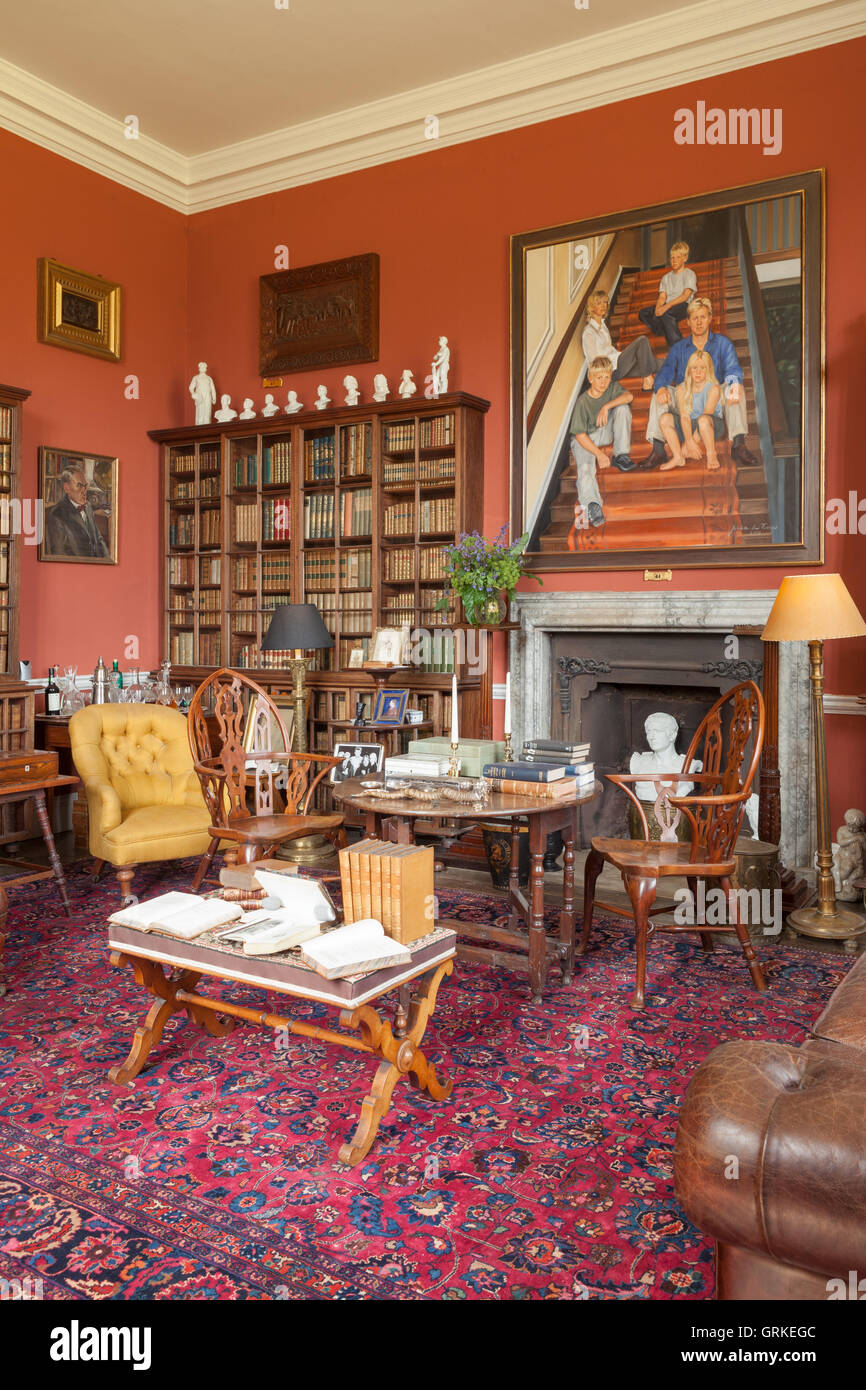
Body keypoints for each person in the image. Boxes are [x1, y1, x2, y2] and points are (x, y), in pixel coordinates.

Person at [639, 297, 759, 471]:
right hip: (687, 399)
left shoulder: (722, 343)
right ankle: (658, 450)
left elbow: (733, 368)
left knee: (735, 386)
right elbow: (666, 371)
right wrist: (661, 387)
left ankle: (738, 444)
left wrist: (733, 383)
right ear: (688, 322)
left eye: (703, 317)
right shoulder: (679, 348)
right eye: (694, 318)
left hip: (713, 397)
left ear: (710, 318)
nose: (699, 322)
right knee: (659, 393)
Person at [568, 356, 634, 529]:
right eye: (599, 378)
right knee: (585, 468)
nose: (603, 382)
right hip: (585, 439)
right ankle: (592, 505)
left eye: (606, 377)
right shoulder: (583, 402)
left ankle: (621, 455)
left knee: (623, 408)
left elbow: (629, 396)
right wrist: (599, 455)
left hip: (604, 431)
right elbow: (580, 435)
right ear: (590, 378)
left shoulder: (611, 388)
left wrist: (606, 407)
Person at [657, 350, 724, 473]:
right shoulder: (681, 388)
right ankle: (678, 457)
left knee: (702, 420)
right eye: (694, 368)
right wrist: (688, 441)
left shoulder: (713, 388)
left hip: (711, 426)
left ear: (708, 369)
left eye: (702, 368)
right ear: (689, 370)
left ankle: (711, 454)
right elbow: (684, 417)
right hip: (690, 425)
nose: (698, 372)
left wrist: (692, 442)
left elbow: (707, 415)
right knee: (664, 419)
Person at [582, 289, 660, 391]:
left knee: (658, 363)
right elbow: (594, 362)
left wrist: (624, 357)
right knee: (642, 340)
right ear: (591, 307)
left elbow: (610, 350)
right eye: (599, 303)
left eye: (605, 302)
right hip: (612, 370)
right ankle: (648, 380)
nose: (603, 306)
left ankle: (652, 376)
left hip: (618, 361)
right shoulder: (589, 333)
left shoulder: (603, 326)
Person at [638, 241, 697, 348]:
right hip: (668, 305)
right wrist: (658, 308)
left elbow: (685, 296)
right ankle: (663, 330)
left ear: (685, 258)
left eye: (678, 257)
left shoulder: (689, 274)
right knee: (643, 313)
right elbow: (662, 296)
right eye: (672, 257)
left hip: (684, 305)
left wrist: (665, 307)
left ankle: (678, 346)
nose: (674, 260)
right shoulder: (666, 277)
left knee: (666, 314)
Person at [45, 467, 110, 559]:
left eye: (85, 485)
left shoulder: (88, 506)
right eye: (79, 485)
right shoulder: (56, 514)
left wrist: (107, 560)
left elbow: (98, 539)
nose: (84, 491)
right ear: (66, 488)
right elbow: (59, 554)